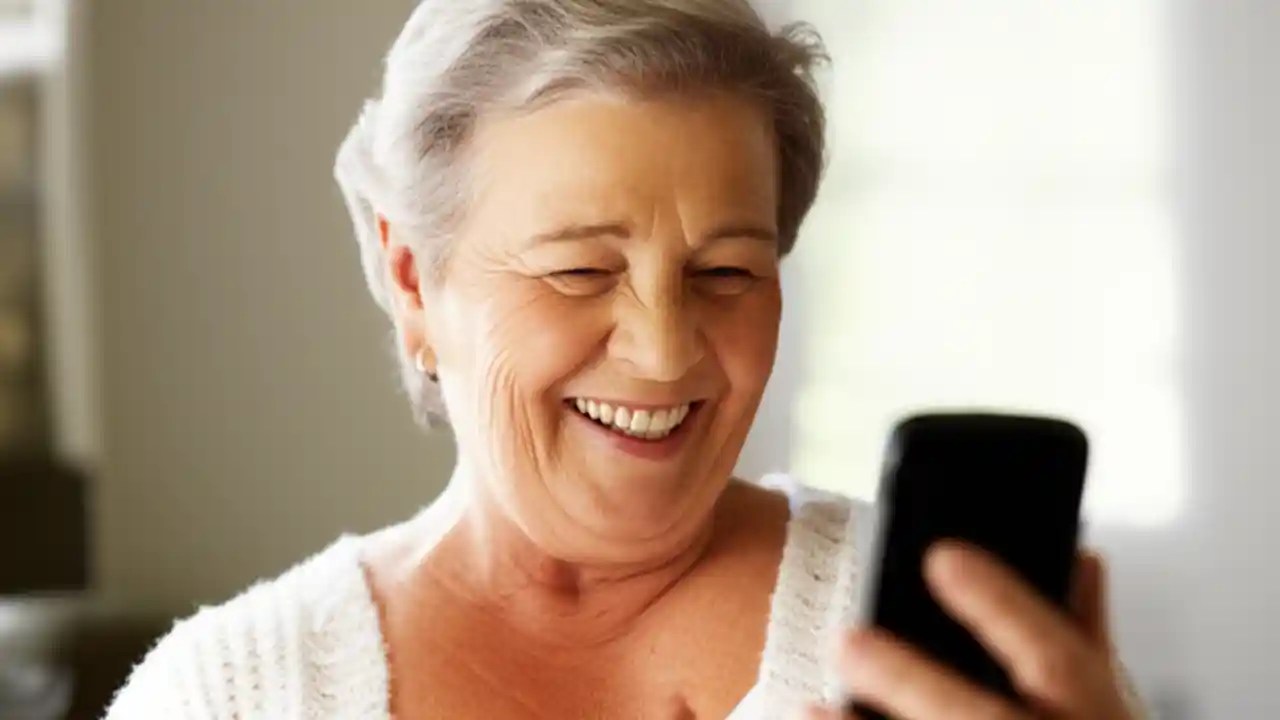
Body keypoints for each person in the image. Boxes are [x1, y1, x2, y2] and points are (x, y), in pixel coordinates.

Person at [106, 1, 1145, 718]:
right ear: (415, 278)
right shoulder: (233, 691)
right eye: (577, 270)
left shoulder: (943, 646)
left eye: (727, 271)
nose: (662, 351)